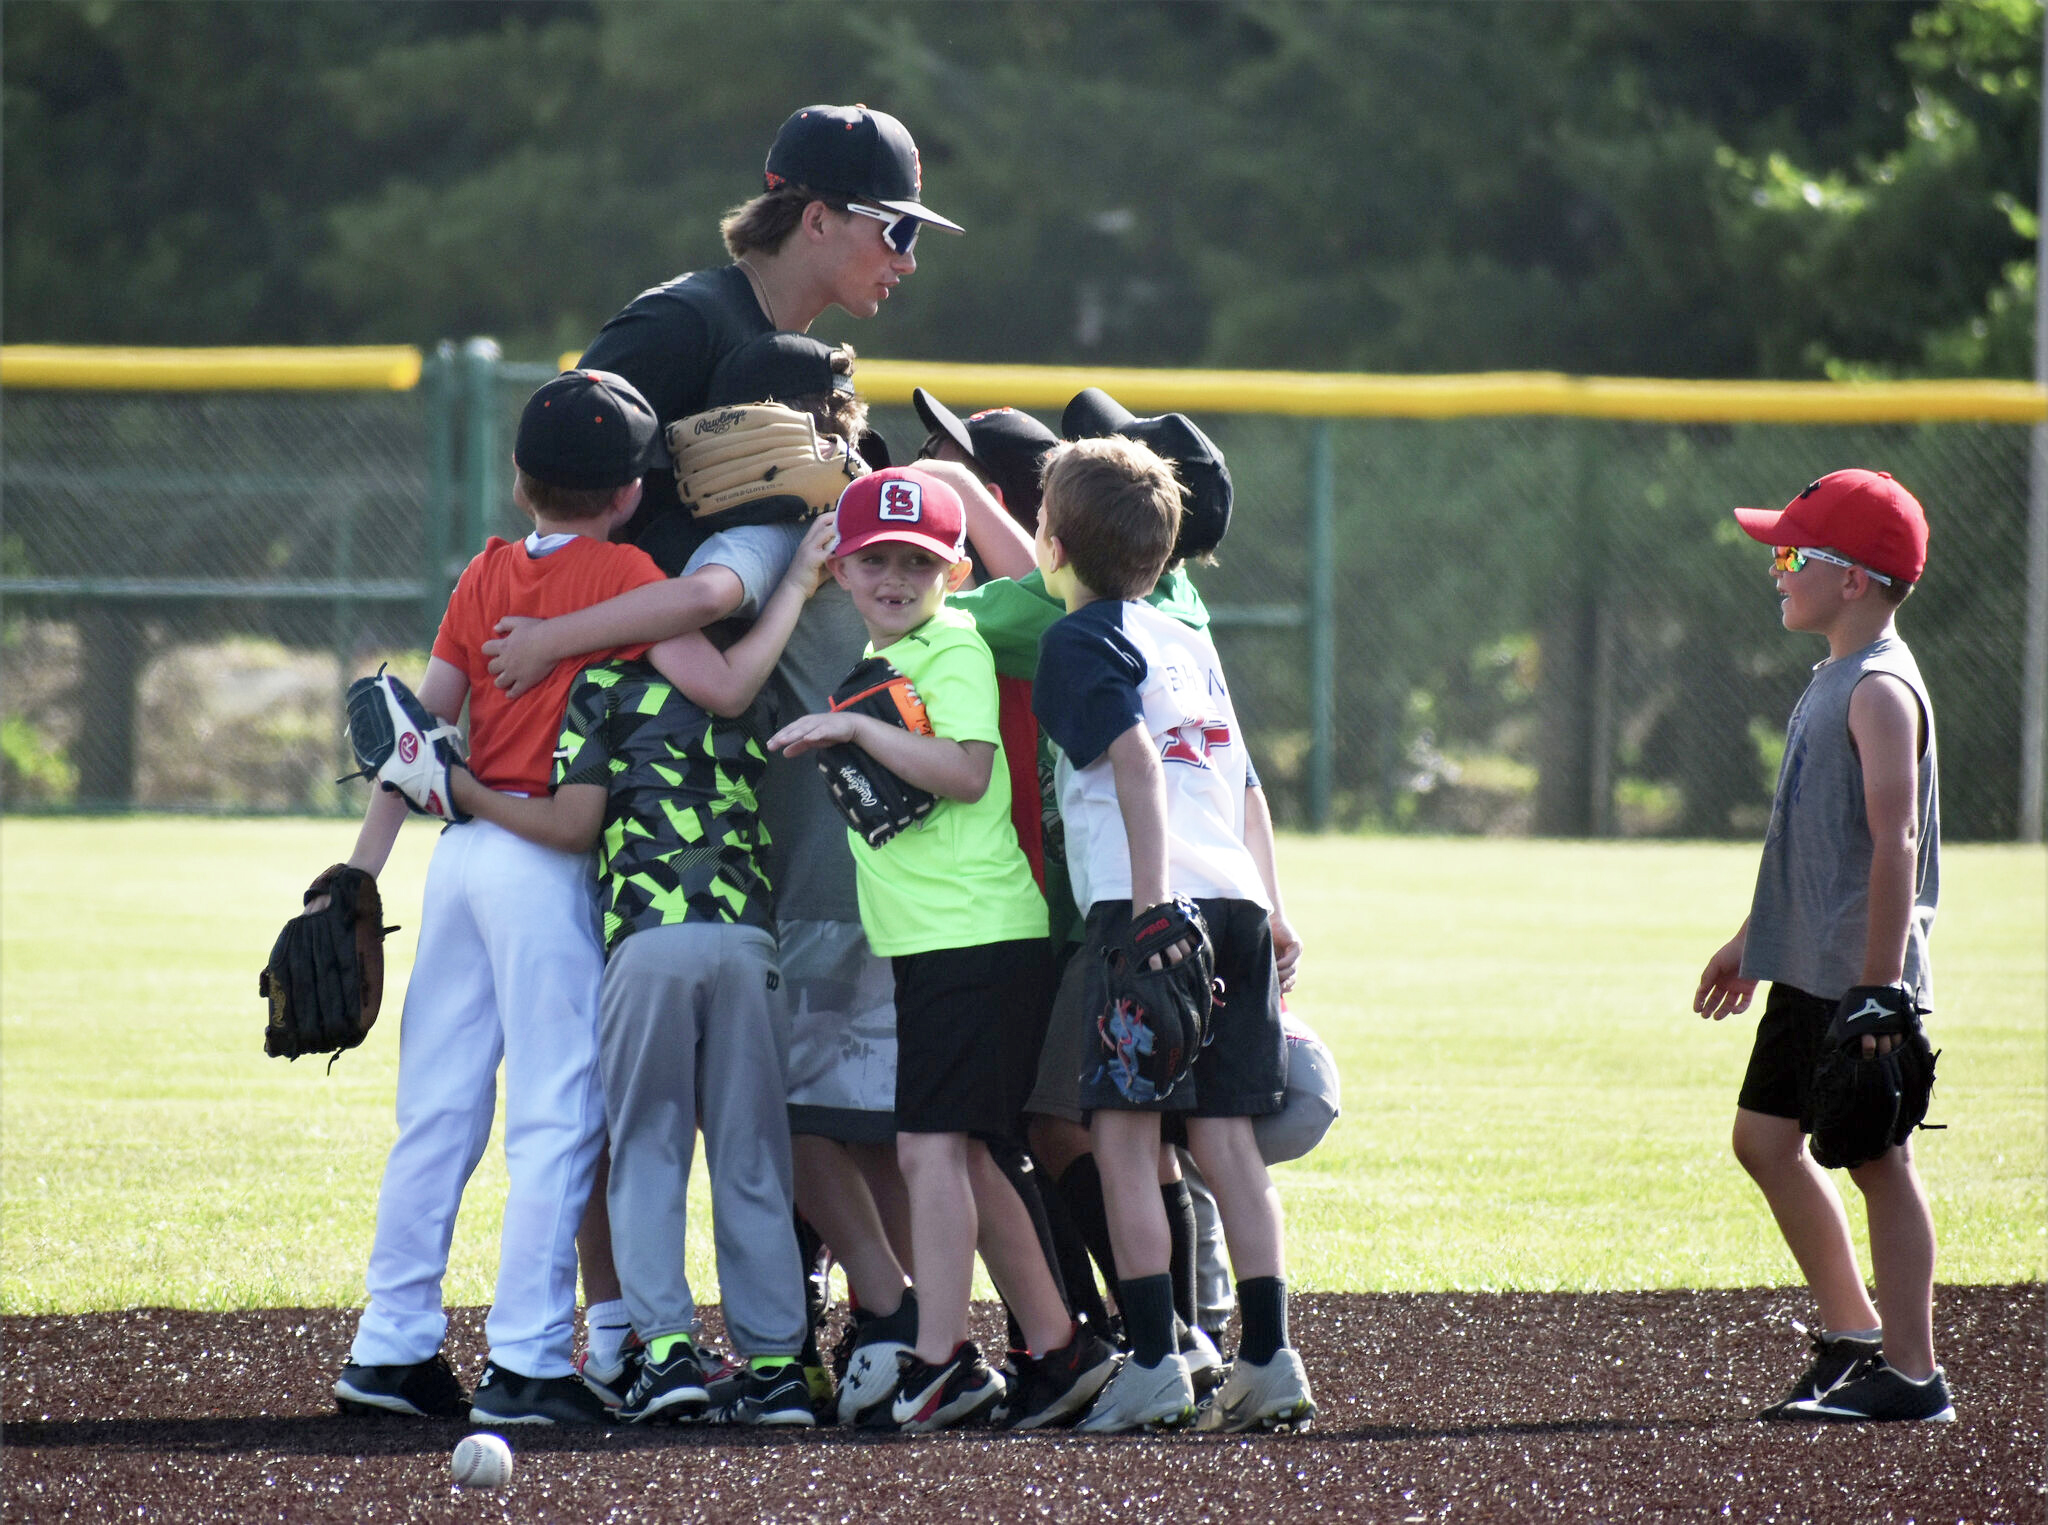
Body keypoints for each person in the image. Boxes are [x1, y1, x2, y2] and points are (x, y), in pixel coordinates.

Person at [328, 370, 675, 1427]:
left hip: (459, 859)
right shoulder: (628, 569)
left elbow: (413, 739)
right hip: (541, 853)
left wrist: (357, 873)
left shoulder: (481, 571)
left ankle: (389, 1349)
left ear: (519, 480)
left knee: (435, 1111)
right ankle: (526, 1362)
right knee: (558, 1116)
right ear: (627, 491)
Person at [443, 513, 842, 1429]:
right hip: (748, 943)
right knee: (751, 1155)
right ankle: (778, 1365)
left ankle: (665, 1355)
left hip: (649, 948)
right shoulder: (755, 693)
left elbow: (574, 826)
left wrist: (462, 790)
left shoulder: (601, 689)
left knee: (650, 1152)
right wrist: (795, 586)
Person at [768, 467, 1121, 1433]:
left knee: (931, 1147)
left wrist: (850, 727)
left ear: (955, 570)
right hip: (945, 938)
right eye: (875, 558)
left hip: (975, 932)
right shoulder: (906, 647)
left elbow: (967, 773)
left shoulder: (950, 645)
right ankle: (1057, 1342)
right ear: (841, 569)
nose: (893, 576)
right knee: (963, 1154)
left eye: (917, 561)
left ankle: (943, 1359)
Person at [1027, 436, 1315, 1434]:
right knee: (1226, 1140)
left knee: (1122, 1137)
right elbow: (1242, 781)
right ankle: (1269, 1358)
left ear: (1050, 539)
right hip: (1232, 902)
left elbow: (1136, 764)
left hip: (1142, 909)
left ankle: (1153, 1359)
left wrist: (1149, 907)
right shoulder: (1186, 637)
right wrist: (1271, 905)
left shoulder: (1079, 638)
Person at [1693, 468, 1951, 1424]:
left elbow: (1896, 842)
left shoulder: (1880, 688)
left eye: (1795, 552)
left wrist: (1881, 990)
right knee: (1764, 1139)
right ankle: (1852, 1333)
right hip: (1807, 965)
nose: (1776, 567)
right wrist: (1752, 939)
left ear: (1855, 580)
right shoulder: (1832, 675)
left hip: (1858, 976)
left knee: (1879, 1160)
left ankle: (1914, 1373)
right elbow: (1811, 838)